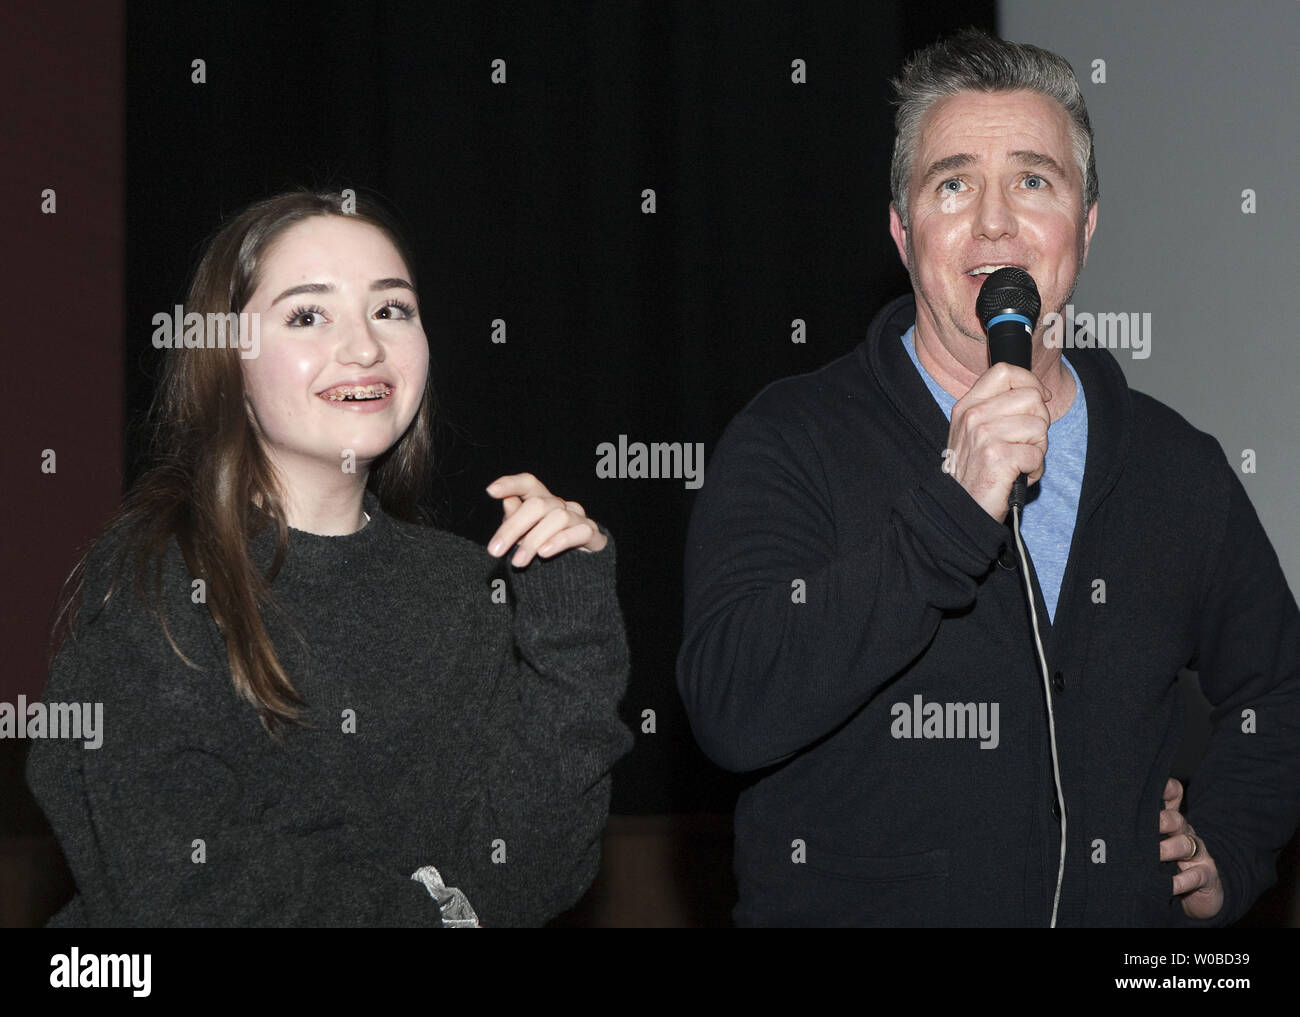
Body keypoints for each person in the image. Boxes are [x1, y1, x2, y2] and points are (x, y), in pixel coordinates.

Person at [676, 28, 1300, 927]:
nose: (996, 221)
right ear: (902, 230)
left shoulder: (1174, 465)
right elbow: (731, 707)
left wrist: (1231, 848)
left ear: (1084, 228)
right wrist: (950, 512)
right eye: (955, 182)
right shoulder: (790, 438)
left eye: (1034, 181)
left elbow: (1278, 690)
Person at [26, 189, 633, 927]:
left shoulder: (464, 585)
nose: (365, 347)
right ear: (229, 359)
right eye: (308, 314)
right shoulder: (158, 572)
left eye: (391, 309)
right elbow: (186, 887)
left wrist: (570, 614)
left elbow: (535, 868)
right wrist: (436, 911)